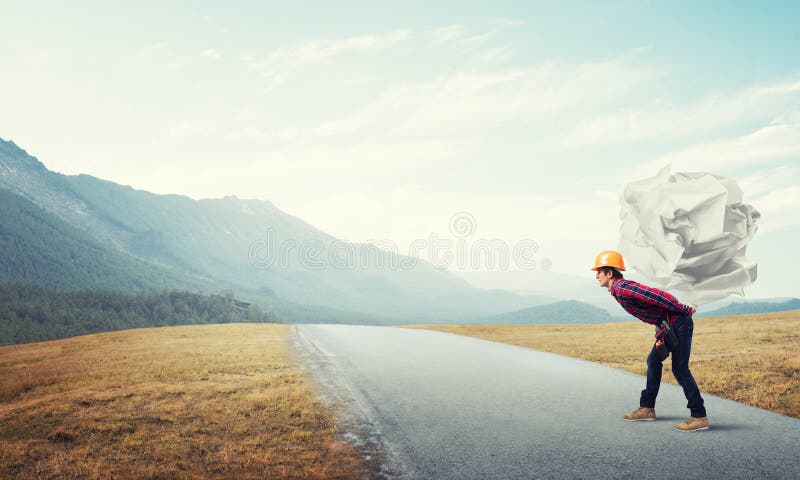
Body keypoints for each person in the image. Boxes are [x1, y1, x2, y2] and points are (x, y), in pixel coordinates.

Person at [592, 250, 709, 432]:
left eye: (599, 271)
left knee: (680, 369)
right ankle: (647, 408)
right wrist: (660, 326)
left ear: (609, 273)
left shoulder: (622, 288)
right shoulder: (618, 290)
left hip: (679, 322)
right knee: (653, 361)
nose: (596, 275)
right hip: (669, 325)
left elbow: (656, 295)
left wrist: (683, 309)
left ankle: (699, 416)